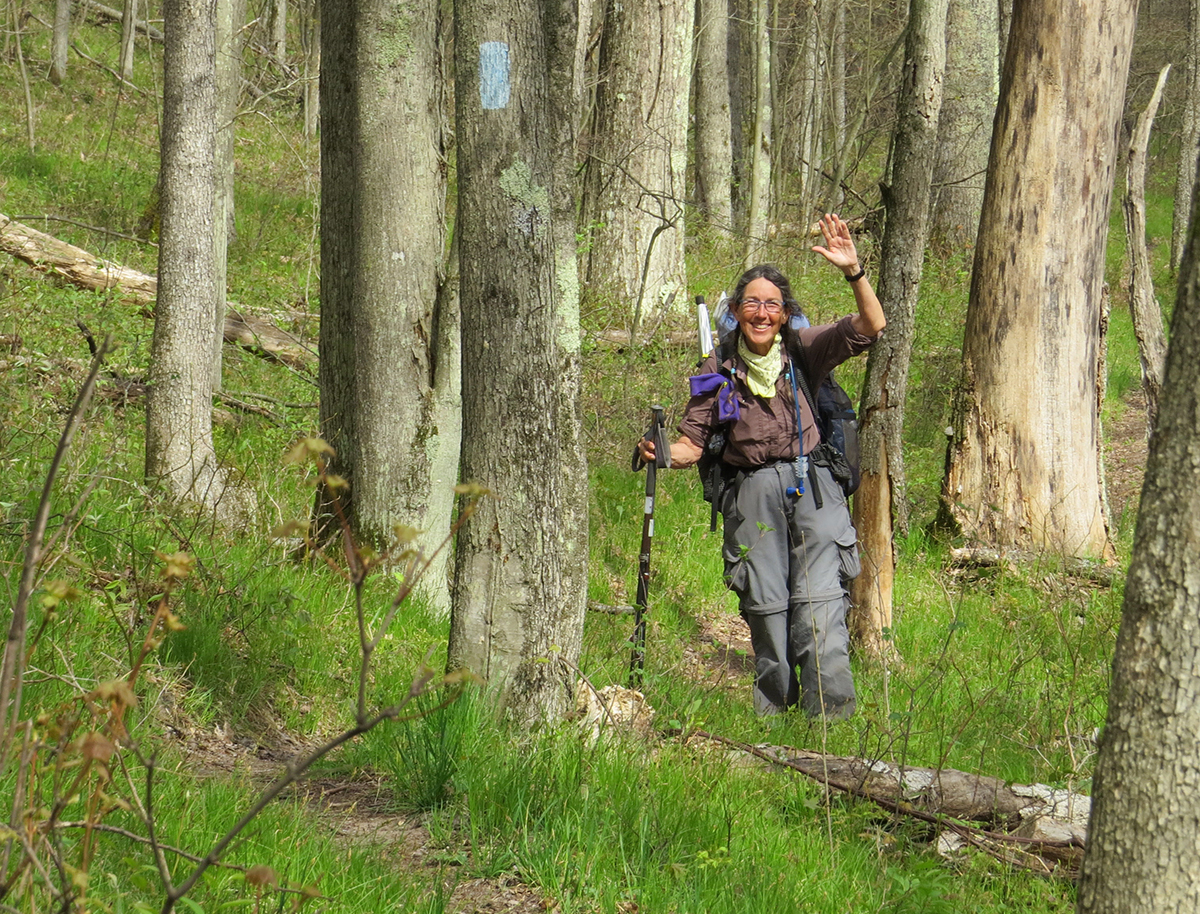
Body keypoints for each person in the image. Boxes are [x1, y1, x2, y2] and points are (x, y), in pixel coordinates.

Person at [636, 214, 885, 718]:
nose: (763, 312)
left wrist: (854, 272)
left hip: (813, 488)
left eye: (773, 304)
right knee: (767, 611)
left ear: (785, 313)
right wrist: (661, 453)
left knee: (821, 611)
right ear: (736, 311)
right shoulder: (716, 371)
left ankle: (830, 728)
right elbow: (691, 443)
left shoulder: (804, 350)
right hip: (752, 494)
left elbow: (871, 326)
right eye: (753, 302)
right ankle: (775, 726)